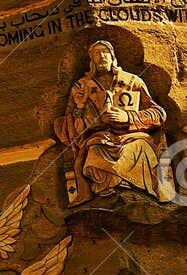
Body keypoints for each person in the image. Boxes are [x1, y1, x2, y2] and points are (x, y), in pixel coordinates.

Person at [54, 41, 174, 205]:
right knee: (94, 152)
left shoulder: (132, 81)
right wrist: (80, 106)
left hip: (133, 136)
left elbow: (158, 114)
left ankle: (135, 191)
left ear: (113, 56)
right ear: (92, 60)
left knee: (139, 148)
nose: (101, 56)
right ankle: (107, 191)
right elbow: (71, 128)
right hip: (99, 138)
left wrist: (128, 117)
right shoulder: (81, 87)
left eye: (105, 52)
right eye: (97, 54)